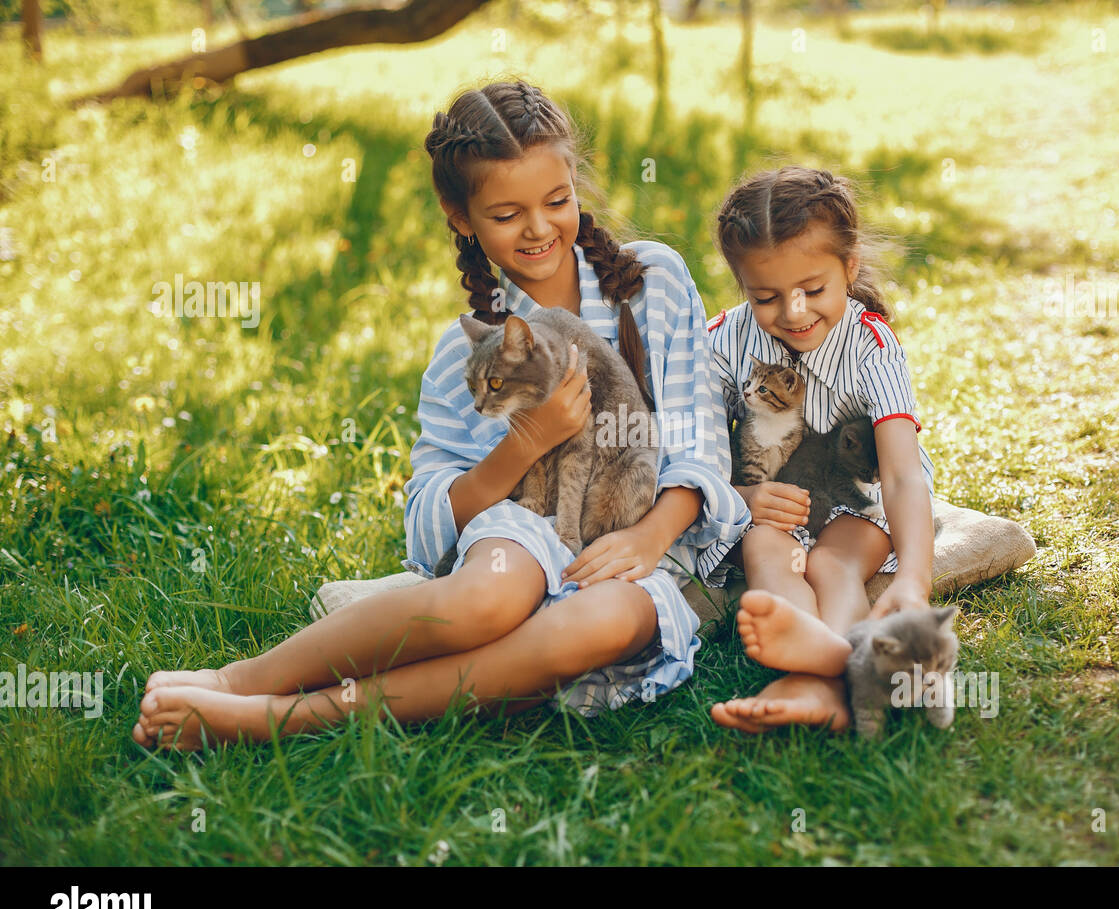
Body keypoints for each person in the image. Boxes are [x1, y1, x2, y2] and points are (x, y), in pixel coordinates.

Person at [132, 79, 747, 750]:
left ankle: (273, 719)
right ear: (462, 217)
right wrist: (525, 444)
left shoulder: (650, 282)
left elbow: (698, 440)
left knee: (594, 628)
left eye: (557, 201)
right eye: (508, 214)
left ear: (576, 184)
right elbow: (432, 520)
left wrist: (650, 537)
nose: (540, 228)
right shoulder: (472, 351)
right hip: (527, 534)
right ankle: (238, 680)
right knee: (485, 600)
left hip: (647, 541)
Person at [707, 166, 937, 733]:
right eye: (766, 296)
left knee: (834, 563)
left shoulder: (872, 344)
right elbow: (693, 451)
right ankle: (834, 672)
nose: (793, 312)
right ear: (742, 285)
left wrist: (913, 578)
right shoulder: (722, 341)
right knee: (770, 552)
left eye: (813, 290)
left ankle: (813, 673)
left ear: (849, 268)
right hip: (776, 504)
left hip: (857, 502)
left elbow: (904, 476)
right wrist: (742, 496)